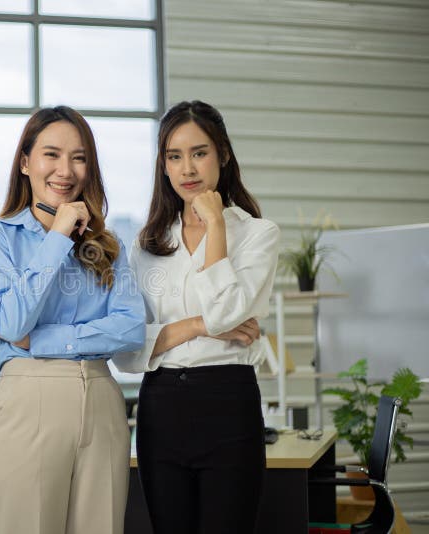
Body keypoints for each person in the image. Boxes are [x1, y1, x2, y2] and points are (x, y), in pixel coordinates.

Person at [0, 105, 146, 534]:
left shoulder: (109, 245)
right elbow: (12, 323)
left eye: (79, 157)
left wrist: (46, 340)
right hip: (30, 397)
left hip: (103, 401)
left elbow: (130, 328)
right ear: (25, 162)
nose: (65, 170)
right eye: (51, 154)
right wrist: (57, 237)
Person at [113, 100, 280, 533]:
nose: (187, 168)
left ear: (223, 154)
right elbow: (127, 352)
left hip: (228, 403)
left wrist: (216, 228)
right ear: (163, 166)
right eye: (174, 156)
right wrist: (200, 326)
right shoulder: (146, 245)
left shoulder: (259, 235)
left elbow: (225, 309)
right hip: (161, 408)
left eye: (199, 152)